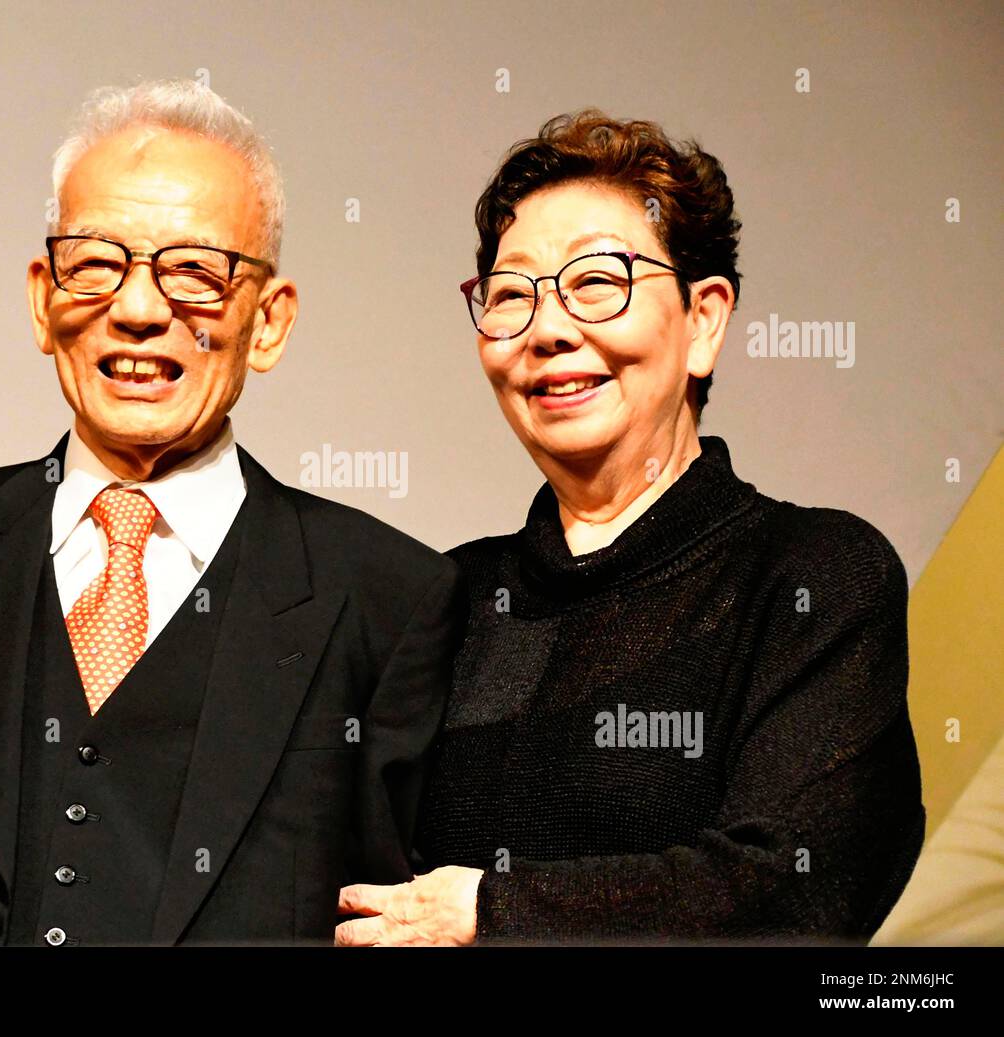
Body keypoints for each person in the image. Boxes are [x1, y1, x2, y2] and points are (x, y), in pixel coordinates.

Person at [0, 80, 462, 947]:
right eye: (96, 262)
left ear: (268, 323)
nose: (138, 309)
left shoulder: (387, 596)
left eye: (195, 272)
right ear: (44, 298)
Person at [336, 110, 924, 945]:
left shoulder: (812, 579)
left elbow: (791, 889)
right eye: (510, 296)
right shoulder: (440, 598)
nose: (546, 330)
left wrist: (490, 913)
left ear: (704, 319)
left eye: (597, 281)